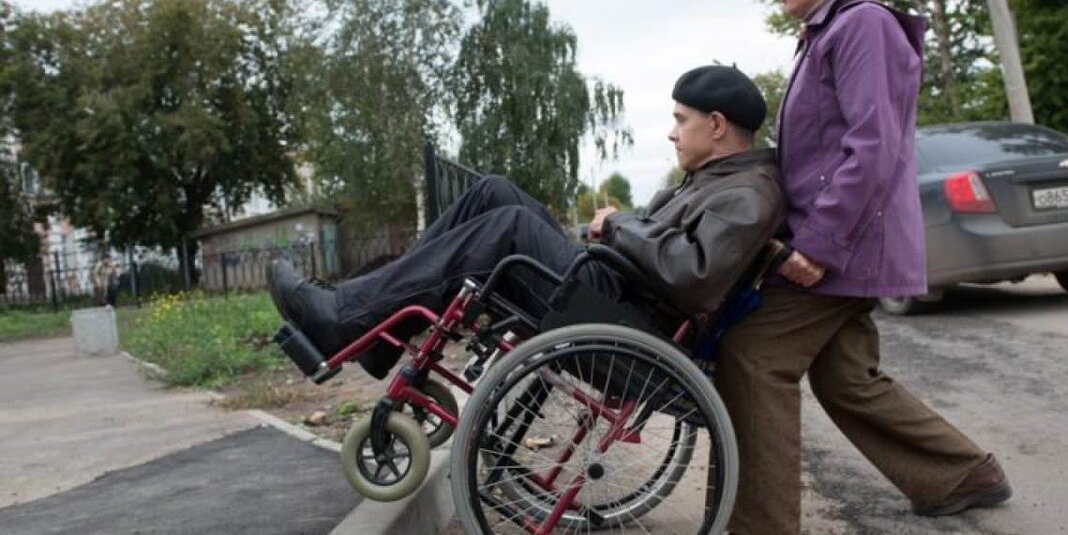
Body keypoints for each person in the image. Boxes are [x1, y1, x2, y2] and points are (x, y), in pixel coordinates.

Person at [699, 0, 1012, 535]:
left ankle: (765, 530)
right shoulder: (828, 33)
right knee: (847, 378)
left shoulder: (862, 26)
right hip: (844, 240)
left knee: (753, 354)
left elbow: (871, 146)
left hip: (845, 244)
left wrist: (819, 244)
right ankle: (962, 474)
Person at [267, 64, 784, 379]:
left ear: (716, 126)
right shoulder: (717, 179)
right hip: (614, 294)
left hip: (628, 320)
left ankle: (346, 317)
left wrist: (619, 223)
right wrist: (622, 226)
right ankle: (378, 329)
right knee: (492, 189)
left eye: (680, 119)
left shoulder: (746, 194)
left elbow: (690, 276)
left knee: (511, 225)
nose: (673, 133)